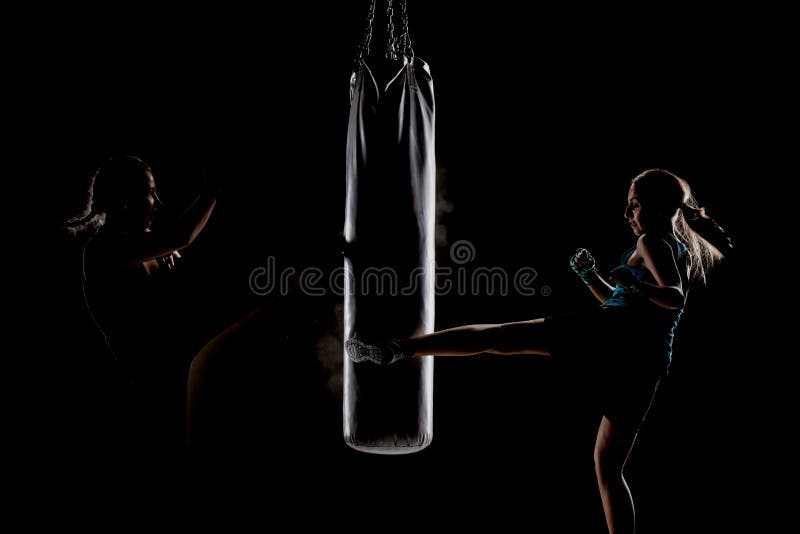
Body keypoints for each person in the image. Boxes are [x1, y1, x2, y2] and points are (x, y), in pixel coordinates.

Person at [346, 168, 730, 534]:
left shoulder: (652, 242)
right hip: (644, 363)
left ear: (659, 207)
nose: (627, 212)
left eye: (634, 204)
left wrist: (637, 283)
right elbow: (621, 300)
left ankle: (397, 348)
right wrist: (591, 276)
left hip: (612, 339)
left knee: (500, 338)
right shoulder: (674, 246)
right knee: (608, 466)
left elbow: (673, 297)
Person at [78, 155, 217, 475]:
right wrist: (213, 190)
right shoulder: (101, 250)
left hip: (170, 380)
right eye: (150, 192)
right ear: (124, 201)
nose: (157, 201)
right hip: (142, 389)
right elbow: (181, 235)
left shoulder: (146, 248)